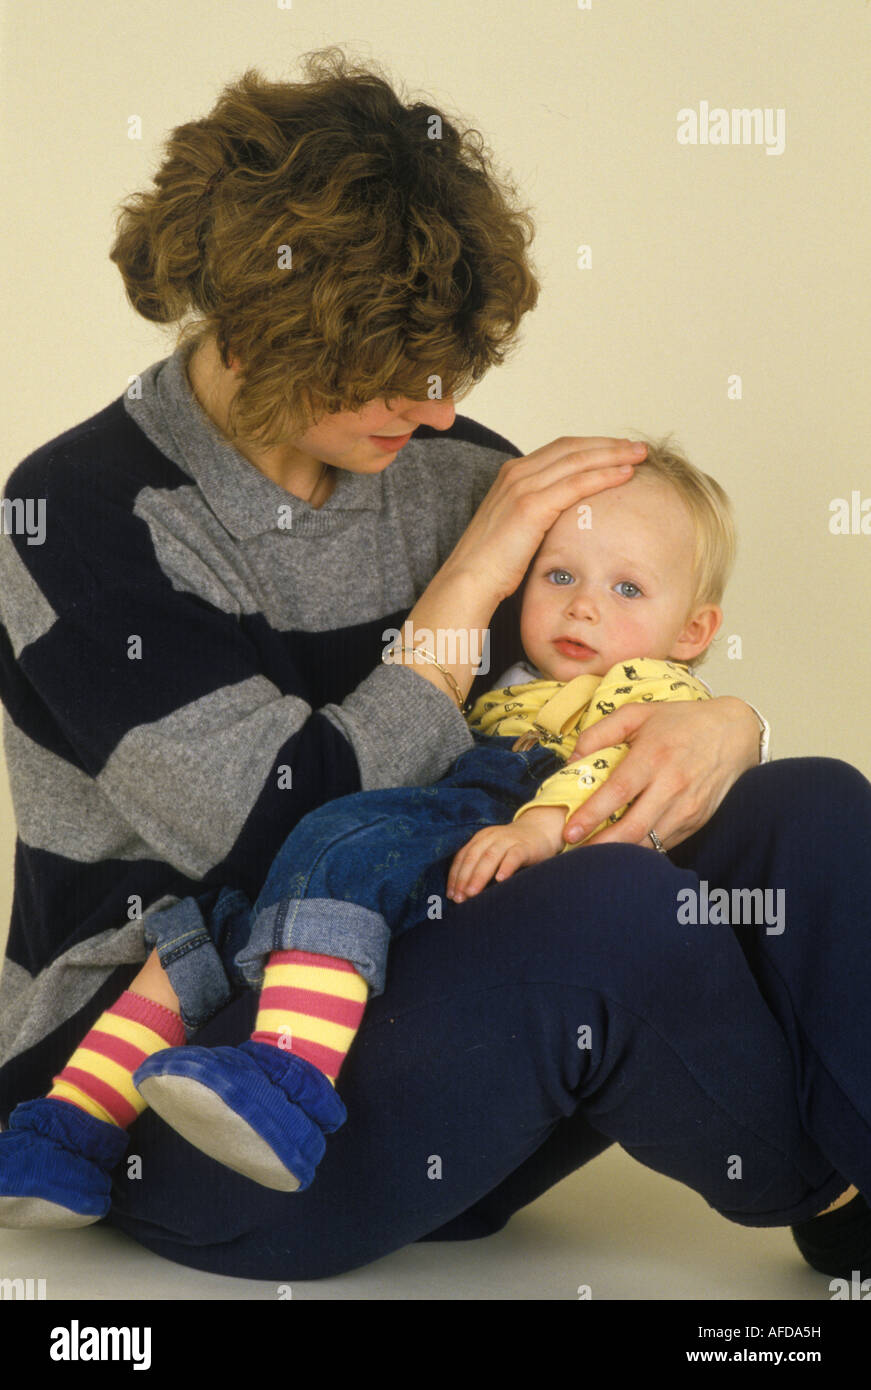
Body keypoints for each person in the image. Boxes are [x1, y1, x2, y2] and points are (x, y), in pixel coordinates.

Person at [0, 49, 869, 1282]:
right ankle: (831, 1185)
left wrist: (724, 725)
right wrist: (465, 590)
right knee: (615, 910)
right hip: (189, 1101)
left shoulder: (453, 464)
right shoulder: (76, 517)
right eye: (390, 371)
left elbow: (581, 690)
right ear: (252, 328)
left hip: (449, 1046)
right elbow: (284, 831)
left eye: (453, 366)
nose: (436, 405)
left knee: (814, 806)